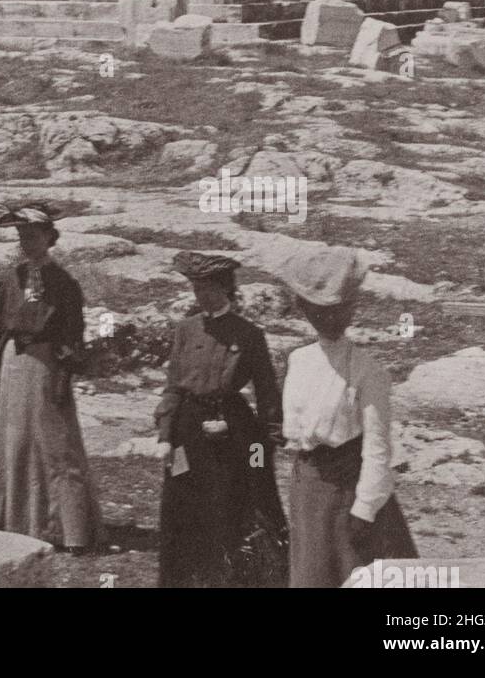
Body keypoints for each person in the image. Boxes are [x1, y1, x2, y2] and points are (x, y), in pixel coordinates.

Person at [278, 244, 417, 587]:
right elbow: (294, 429)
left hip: (348, 495)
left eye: (340, 310)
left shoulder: (368, 371)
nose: (331, 318)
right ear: (303, 308)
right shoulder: (299, 360)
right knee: (311, 575)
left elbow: (377, 448)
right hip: (308, 492)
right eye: (319, 310)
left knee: (354, 575)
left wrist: (365, 509)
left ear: (352, 309)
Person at [154, 251, 289, 587]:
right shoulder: (185, 329)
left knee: (234, 497)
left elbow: (267, 390)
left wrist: (267, 440)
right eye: (196, 289)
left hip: (234, 428)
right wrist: (165, 436)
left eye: (208, 290)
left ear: (226, 290)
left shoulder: (249, 334)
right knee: (183, 501)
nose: (201, 297)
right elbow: (173, 385)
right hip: (188, 428)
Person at [0, 202, 101, 552]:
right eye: (21, 235)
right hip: (13, 364)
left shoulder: (64, 283)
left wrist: (63, 373)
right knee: (14, 440)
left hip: (46, 364)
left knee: (54, 441)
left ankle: (69, 531)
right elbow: (1, 324)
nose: (27, 241)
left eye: (33, 235)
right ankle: (13, 522)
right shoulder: (9, 278)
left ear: (50, 237)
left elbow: (72, 333)